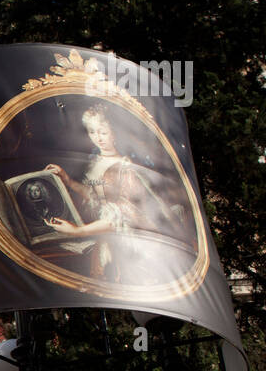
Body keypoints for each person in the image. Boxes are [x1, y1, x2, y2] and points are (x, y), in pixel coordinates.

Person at [42, 102, 190, 283]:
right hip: (104, 236)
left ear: (115, 133)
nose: (98, 138)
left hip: (129, 243)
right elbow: (95, 197)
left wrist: (78, 231)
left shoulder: (125, 168)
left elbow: (123, 216)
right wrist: (68, 181)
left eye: (103, 132)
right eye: (92, 131)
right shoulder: (95, 163)